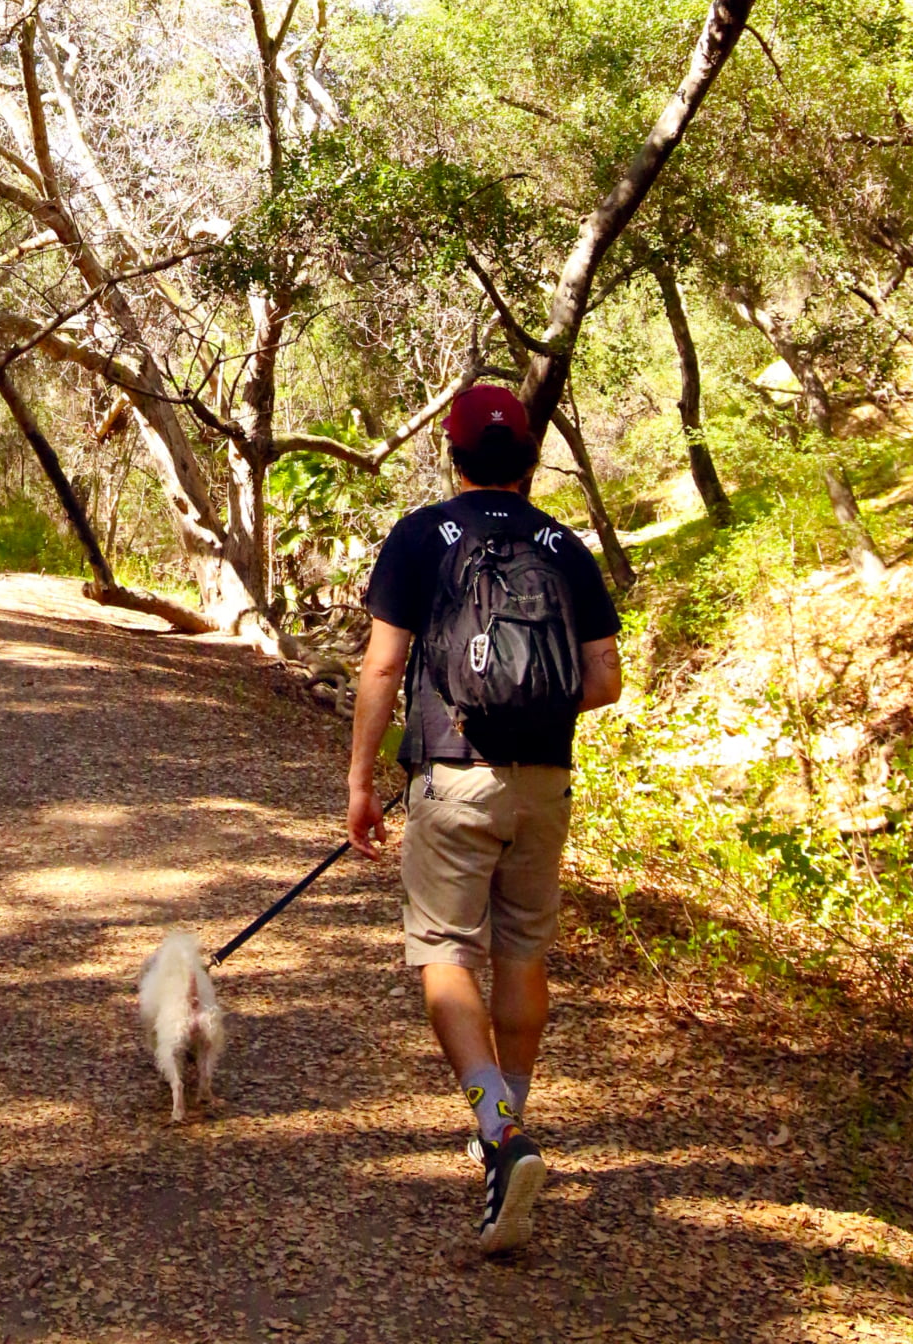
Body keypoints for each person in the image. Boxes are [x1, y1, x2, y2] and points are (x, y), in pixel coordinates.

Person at [347, 381, 623, 1254]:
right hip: (544, 785)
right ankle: (507, 1126)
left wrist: (359, 780)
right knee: (522, 952)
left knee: (442, 954)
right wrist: (529, 707)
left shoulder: (422, 535)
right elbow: (607, 681)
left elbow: (383, 669)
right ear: (527, 455)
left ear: (451, 449)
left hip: (451, 777)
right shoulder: (563, 546)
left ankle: (500, 1134)